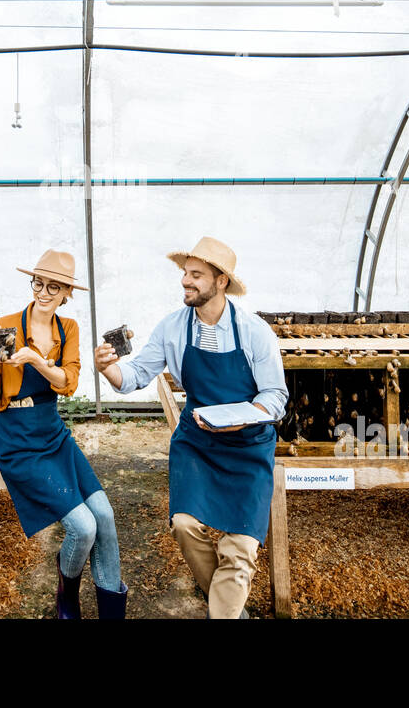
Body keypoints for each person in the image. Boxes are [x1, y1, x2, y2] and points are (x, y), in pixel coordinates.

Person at [93, 236, 287, 619]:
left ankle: (224, 611)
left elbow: (275, 395)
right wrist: (108, 368)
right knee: (183, 524)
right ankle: (227, 603)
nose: (186, 281)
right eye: (185, 273)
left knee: (241, 546)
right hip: (197, 441)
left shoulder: (254, 331)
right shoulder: (172, 328)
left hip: (248, 444)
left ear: (221, 282)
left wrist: (244, 417)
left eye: (196, 275)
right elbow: (135, 376)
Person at [0, 249, 128, 619]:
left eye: (53, 287)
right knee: (83, 528)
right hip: (17, 440)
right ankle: (66, 595)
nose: (43, 292)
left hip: (52, 433)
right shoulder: (7, 324)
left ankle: (112, 614)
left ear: (65, 294)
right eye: (38, 283)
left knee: (104, 514)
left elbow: (68, 383)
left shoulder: (67, 329)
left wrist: (37, 359)